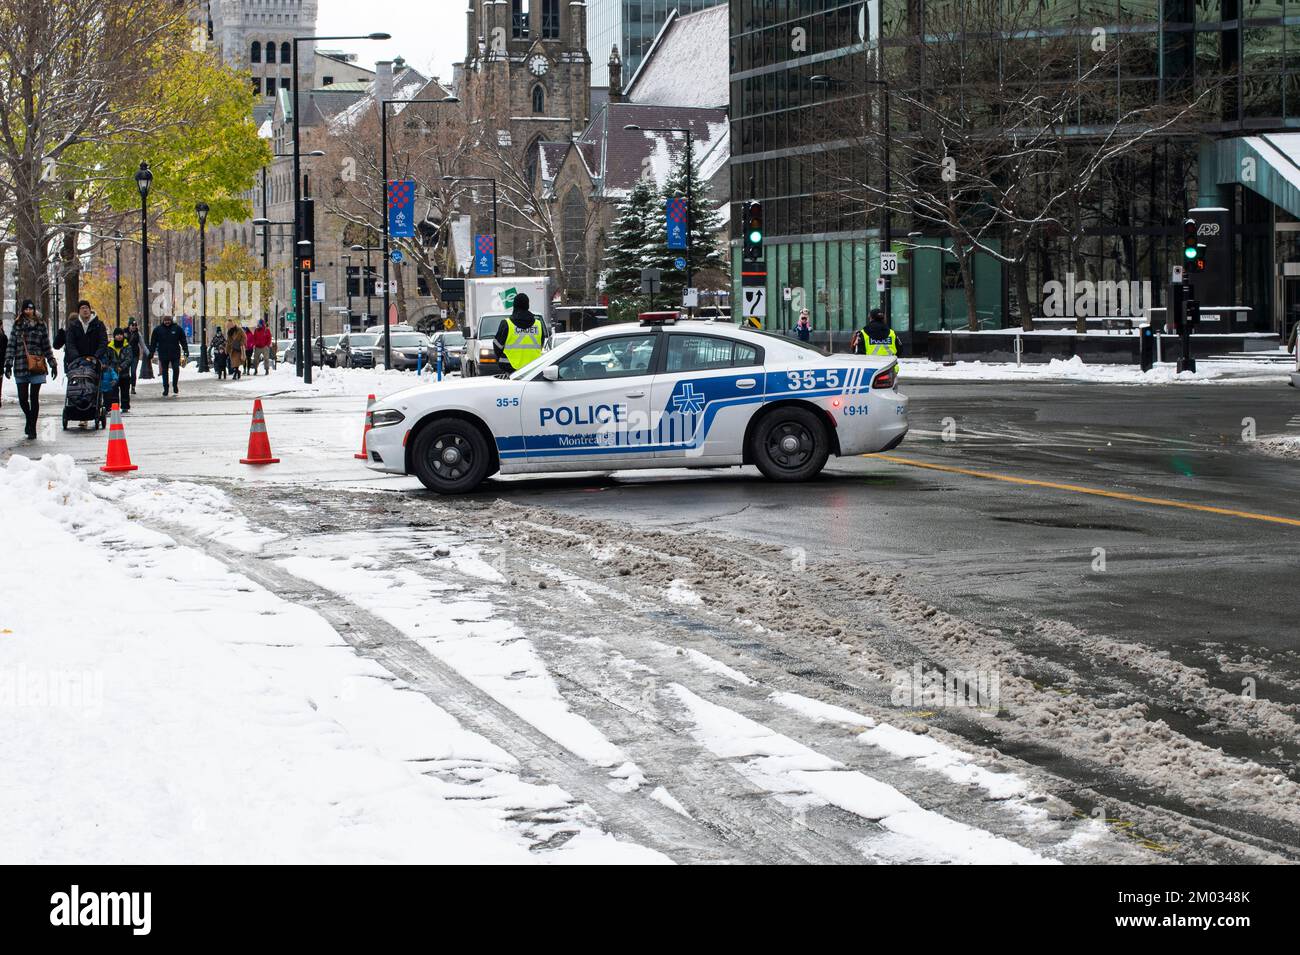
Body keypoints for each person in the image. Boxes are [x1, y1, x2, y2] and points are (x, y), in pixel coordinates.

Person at [4, 300, 57, 439]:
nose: (29, 311)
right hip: (21, 365)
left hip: (37, 366)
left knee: (34, 398)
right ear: (22, 310)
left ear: (34, 310)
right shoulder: (18, 325)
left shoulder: (41, 325)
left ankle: (32, 427)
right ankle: (29, 419)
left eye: (31, 308)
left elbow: (46, 346)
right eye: (26, 308)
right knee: (22, 399)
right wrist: (8, 364)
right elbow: (11, 345)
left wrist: (52, 363)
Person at [493, 293, 550, 373]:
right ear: (527, 306)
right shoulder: (538, 324)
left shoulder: (506, 324)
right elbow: (540, 345)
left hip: (510, 368)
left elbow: (497, 347)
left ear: (514, 306)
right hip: (533, 369)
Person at [148, 313, 189, 396]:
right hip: (163, 354)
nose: (167, 322)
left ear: (171, 321)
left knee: (176, 369)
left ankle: (175, 385)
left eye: (168, 321)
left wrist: (186, 350)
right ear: (163, 321)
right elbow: (153, 342)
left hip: (175, 354)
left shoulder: (177, 329)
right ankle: (165, 388)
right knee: (164, 372)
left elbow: (183, 340)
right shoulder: (158, 330)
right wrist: (151, 352)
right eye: (165, 321)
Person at [98, 325, 134, 413]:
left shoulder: (127, 346)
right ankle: (114, 406)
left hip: (124, 373)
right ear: (114, 336)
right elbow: (107, 358)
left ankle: (125, 406)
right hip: (113, 373)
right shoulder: (109, 347)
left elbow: (129, 359)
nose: (119, 336)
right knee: (113, 391)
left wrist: (122, 366)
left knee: (125, 390)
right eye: (117, 335)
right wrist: (108, 367)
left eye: (121, 334)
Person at [64, 300, 108, 366]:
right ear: (78, 311)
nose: (85, 310)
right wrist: (77, 358)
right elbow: (70, 344)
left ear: (90, 310)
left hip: (96, 362)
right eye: (82, 308)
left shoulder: (99, 325)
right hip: (77, 363)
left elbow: (103, 342)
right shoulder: (73, 326)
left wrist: (95, 357)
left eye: (87, 307)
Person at [125, 318, 144, 394]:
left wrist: (148, 353)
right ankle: (126, 386)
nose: (134, 327)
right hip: (125, 356)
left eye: (135, 325)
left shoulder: (138, 334)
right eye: (132, 325)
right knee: (125, 372)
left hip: (135, 355)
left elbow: (142, 344)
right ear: (129, 325)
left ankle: (133, 387)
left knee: (133, 371)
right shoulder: (124, 333)